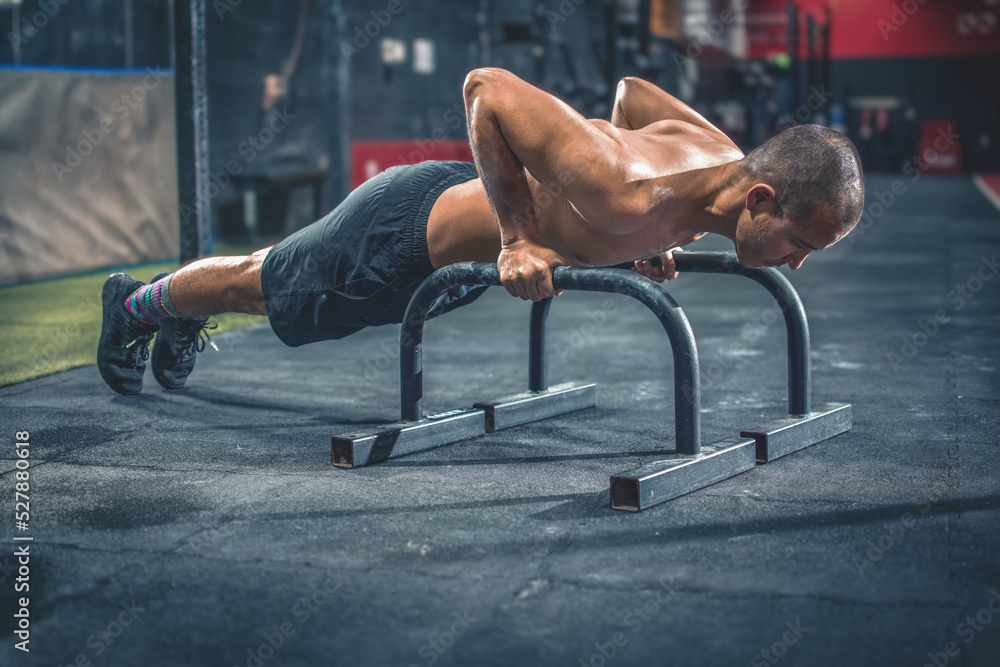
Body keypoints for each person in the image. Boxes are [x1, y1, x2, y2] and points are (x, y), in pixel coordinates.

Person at [97, 68, 864, 395]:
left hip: (439, 239)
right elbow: (487, 89)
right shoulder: (621, 185)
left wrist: (647, 240)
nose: (792, 264)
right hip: (400, 239)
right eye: (800, 243)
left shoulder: (719, 163)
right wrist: (519, 237)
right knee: (260, 285)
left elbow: (632, 95)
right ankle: (135, 308)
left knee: (268, 290)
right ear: (760, 197)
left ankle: (175, 317)